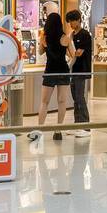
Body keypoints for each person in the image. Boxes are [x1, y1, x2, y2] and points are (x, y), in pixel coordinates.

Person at [30, 11, 71, 143]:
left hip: (50, 71)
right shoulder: (65, 38)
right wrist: (69, 64)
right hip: (63, 71)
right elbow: (72, 54)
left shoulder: (45, 38)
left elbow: (40, 52)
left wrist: (42, 42)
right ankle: (58, 131)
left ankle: (39, 130)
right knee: (62, 101)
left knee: (44, 102)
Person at [66, 9, 92, 138]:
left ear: (78, 20)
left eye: (72, 21)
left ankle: (85, 126)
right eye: (69, 21)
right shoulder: (72, 35)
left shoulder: (85, 35)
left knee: (80, 97)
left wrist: (71, 52)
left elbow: (78, 53)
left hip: (81, 70)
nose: (70, 23)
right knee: (75, 98)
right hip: (73, 70)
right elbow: (70, 52)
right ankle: (77, 125)